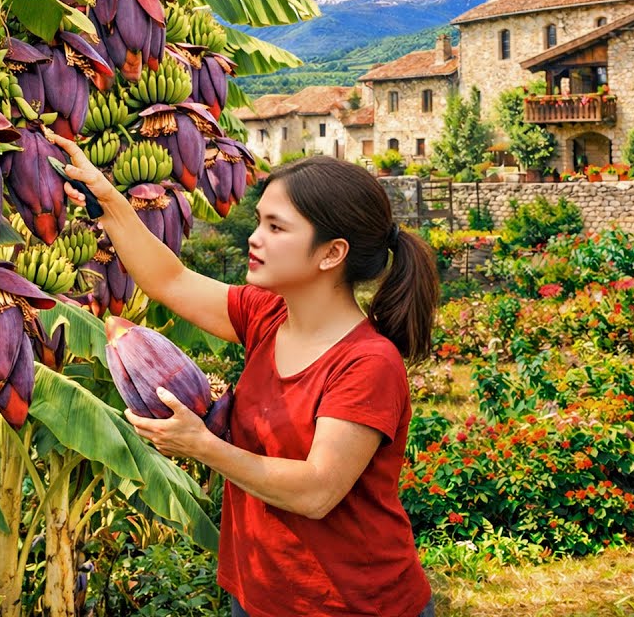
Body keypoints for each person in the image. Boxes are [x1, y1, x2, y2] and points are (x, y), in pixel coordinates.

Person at [49, 133, 440, 617]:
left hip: (351, 603)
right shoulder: (268, 315)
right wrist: (108, 200)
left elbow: (317, 491)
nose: (254, 238)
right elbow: (170, 279)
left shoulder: (366, 364)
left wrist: (203, 447)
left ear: (331, 253)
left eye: (277, 228)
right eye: (259, 222)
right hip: (257, 593)